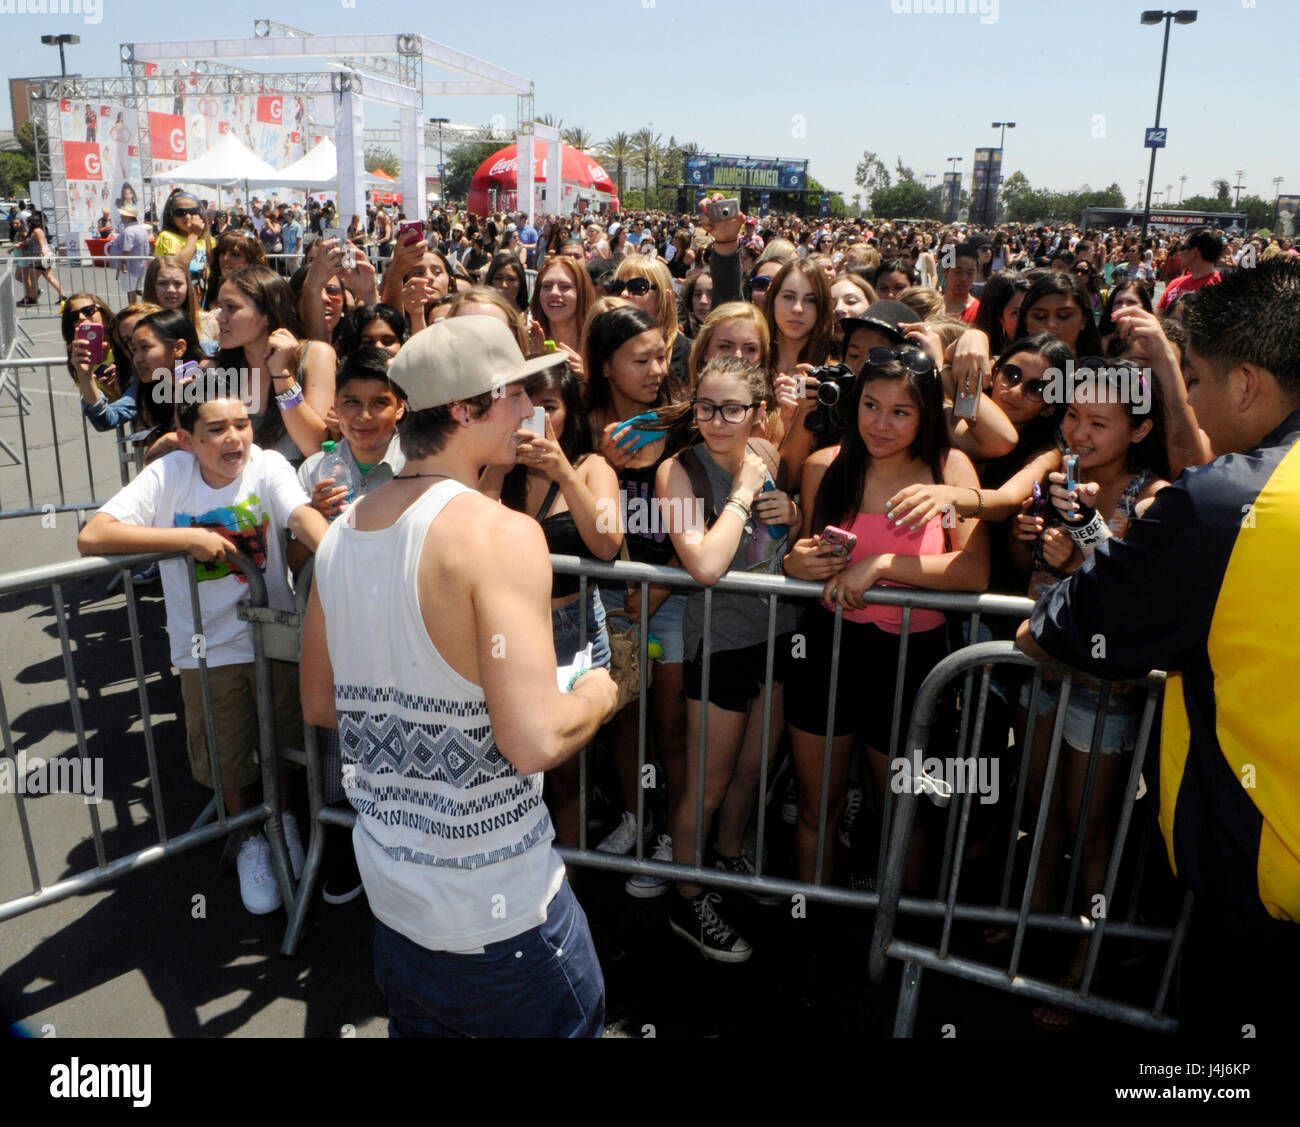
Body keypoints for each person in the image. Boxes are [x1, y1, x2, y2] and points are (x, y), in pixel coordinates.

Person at [299, 316, 619, 1037]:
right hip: (504, 920)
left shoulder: (344, 531)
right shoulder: (499, 532)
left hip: (399, 914)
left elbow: (321, 703)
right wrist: (600, 689)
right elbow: (535, 739)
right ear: (469, 408)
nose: (531, 410)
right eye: (515, 395)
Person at [1016, 259, 1300, 1036]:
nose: (1195, 405)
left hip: (1267, 890)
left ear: (1247, 384)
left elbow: (1050, 631)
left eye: (1196, 380)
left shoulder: (1226, 504)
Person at [78, 371, 330, 915]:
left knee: (283, 741)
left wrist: (333, 545)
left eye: (241, 424)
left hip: (273, 635)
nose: (234, 439)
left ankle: (280, 820)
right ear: (187, 437)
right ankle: (249, 839)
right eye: (216, 430)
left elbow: (297, 512)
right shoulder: (170, 474)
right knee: (227, 754)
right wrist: (186, 538)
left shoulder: (269, 465)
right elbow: (92, 535)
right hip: (206, 648)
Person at [654, 356, 799, 961]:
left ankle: (726, 864)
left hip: (777, 636)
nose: (717, 421)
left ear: (757, 414)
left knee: (751, 773)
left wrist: (794, 514)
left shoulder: (769, 455)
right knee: (706, 786)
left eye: (732, 409)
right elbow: (706, 566)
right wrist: (741, 497)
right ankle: (689, 896)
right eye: (706, 407)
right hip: (717, 643)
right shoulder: (678, 472)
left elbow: (784, 551)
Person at [154, 191, 215, 298]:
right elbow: (178, 268)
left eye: (192, 211)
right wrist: (193, 235)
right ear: (171, 216)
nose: (187, 216)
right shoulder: (167, 237)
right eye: (180, 212)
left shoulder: (210, 241)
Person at [1156, 227, 1224, 312]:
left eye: (1182, 247)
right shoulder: (1175, 284)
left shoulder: (1221, 288)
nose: (1179, 253)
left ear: (1194, 251)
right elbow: (1159, 317)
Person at [17, 211, 65, 306]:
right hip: (37, 258)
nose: (27, 224)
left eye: (29, 222)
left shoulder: (37, 230)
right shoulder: (33, 231)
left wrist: (44, 252)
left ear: (32, 222)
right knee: (48, 278)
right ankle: (62, 296)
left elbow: (42, 243)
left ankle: (32, 298)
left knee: (35, 279)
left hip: (39, 259)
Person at [108, 205, 151, 303]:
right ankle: (152, 302)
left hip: (130, 265)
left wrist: (123, 264)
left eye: (123, 215)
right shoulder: (142, 230)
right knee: (137, 288)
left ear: (128, 217)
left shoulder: (129, 231)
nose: (121, 217)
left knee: (130, 289)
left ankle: (133, 309)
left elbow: (126, 249)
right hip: (140, 264)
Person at [942, 243, 980, 323]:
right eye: (958, 272)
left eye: (970, 273)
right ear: (946, 271)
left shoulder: (979, 311)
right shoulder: (933, 306)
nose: (963, 279)